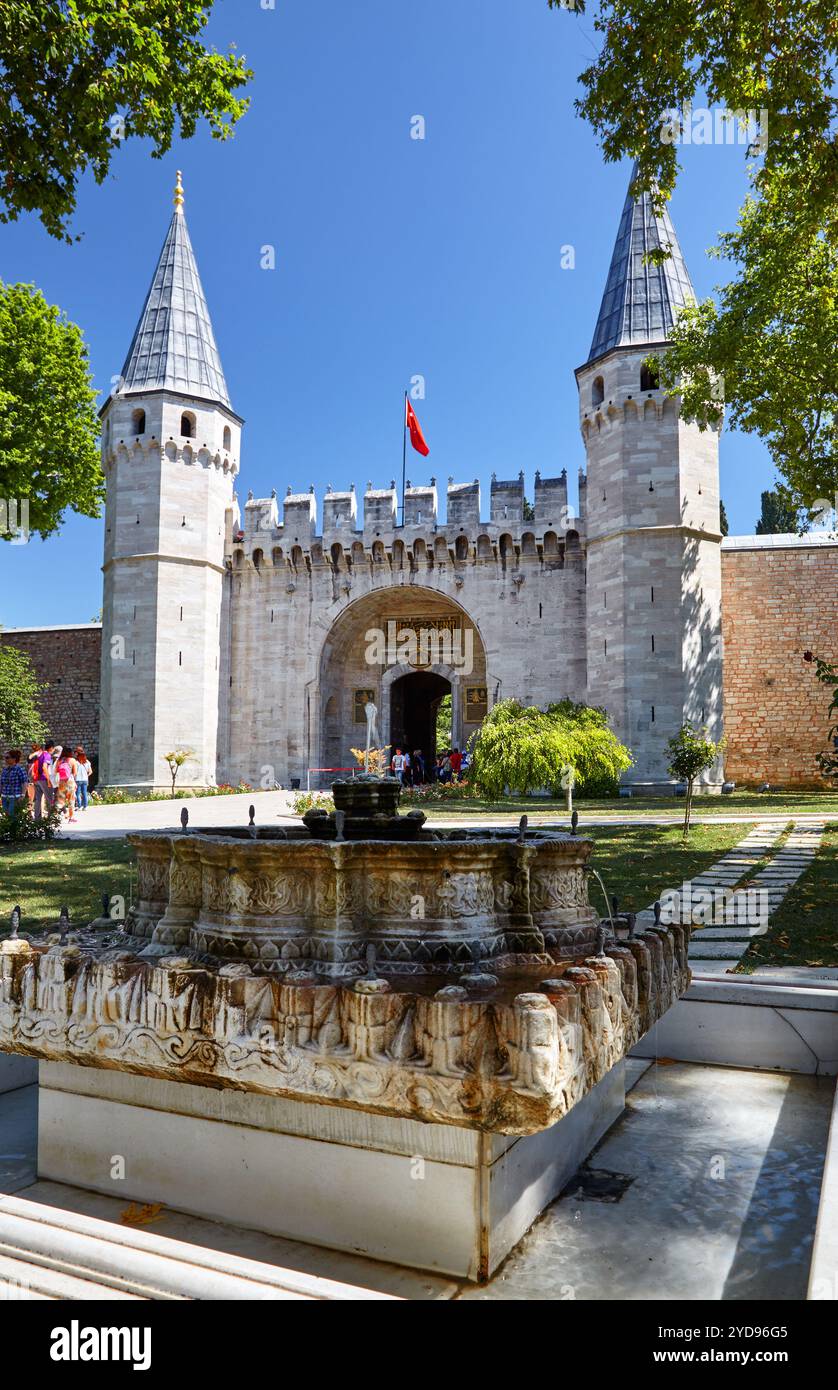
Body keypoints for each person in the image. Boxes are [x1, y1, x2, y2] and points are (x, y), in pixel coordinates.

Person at [53, 743, 78, 822]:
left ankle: (55, 818)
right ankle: (71, 818)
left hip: (61, 782)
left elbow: (56, 771)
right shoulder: (72, 760)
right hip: (70, 781)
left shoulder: (59, 760)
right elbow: (75, 773)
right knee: (71, 800)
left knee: (60, 800)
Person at [1, 750, 29, 816]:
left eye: (7, 757)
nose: (5, 759)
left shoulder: (19, 769)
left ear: (14, 759)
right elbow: (1, 783)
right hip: (4, 797)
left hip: (15, 797)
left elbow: (24, 782)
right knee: (6, 816)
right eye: (5, 757)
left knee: (13, 816)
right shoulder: (5, 770)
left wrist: (22, 795)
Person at [33, 740, 56, 819]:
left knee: (38, 799)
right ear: (51, 748)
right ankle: (50, 818)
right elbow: (44, 767)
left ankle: (37, 818)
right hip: (43, 779)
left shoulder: (41, 754)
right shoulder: (47, 755)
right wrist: (49, 780)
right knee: (50, 799)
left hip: (37, 779)